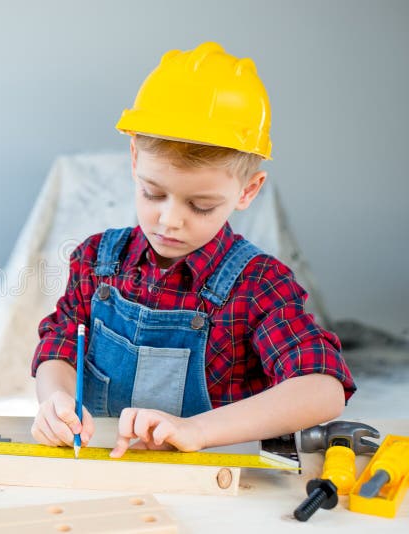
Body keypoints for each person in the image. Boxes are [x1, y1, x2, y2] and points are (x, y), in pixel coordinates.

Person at [30, 42, 355, 455]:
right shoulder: (96, 261)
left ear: (247, 190)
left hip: (213, 482)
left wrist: (197, 431)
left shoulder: (258, 284)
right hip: (102, 468)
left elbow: (323, 388)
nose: (169, 220)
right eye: (152, 193)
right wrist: (54, 398)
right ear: (134, 160)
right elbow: (58, 345)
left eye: (201, 206)